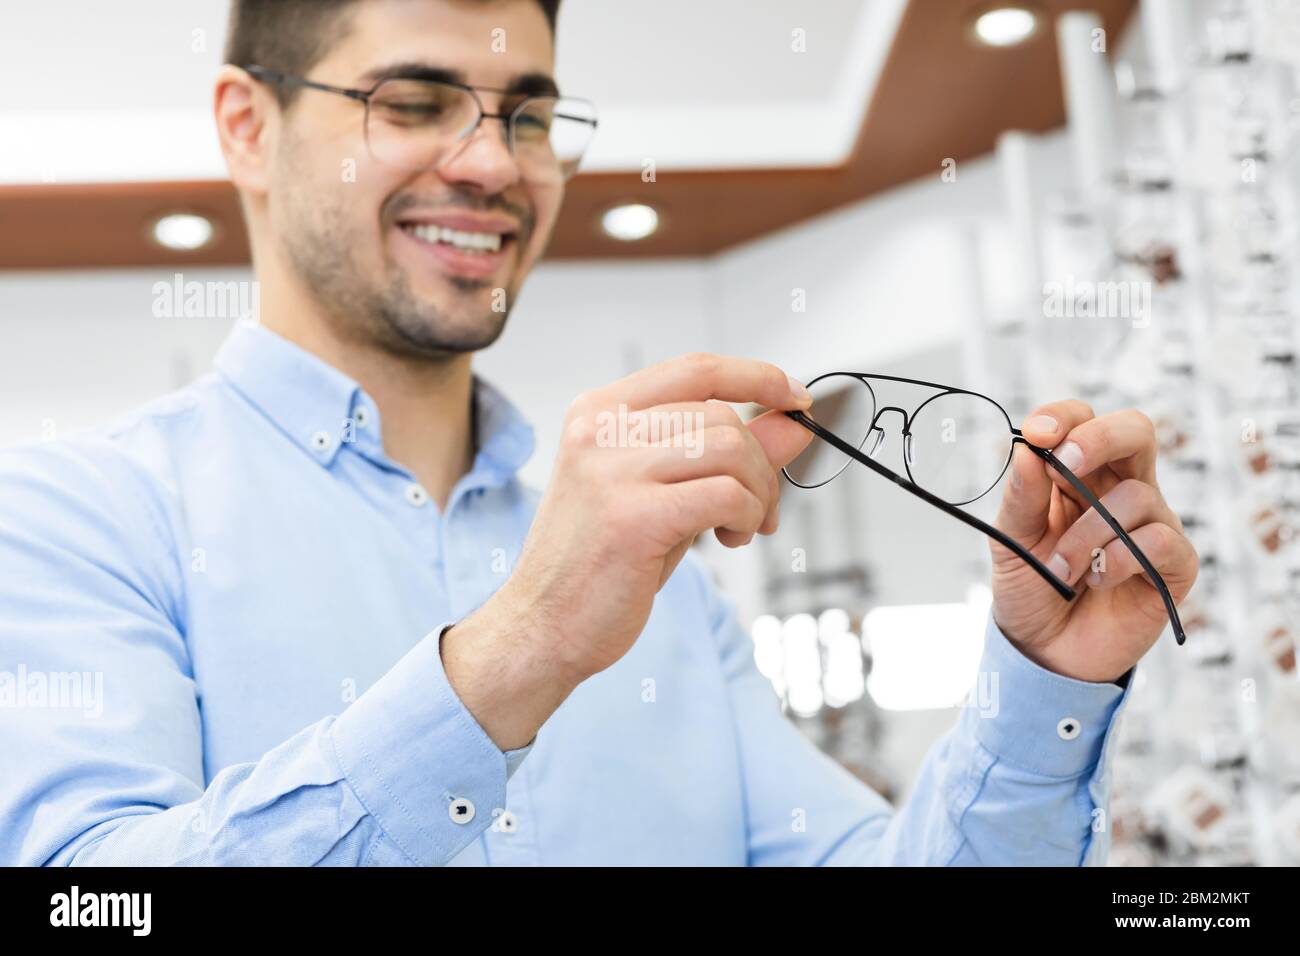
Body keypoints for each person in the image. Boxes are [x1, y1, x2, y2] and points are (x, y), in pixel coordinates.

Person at [0, 0, 1197, 866]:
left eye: (528, 116)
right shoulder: (74, 516)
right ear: (246, 127)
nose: (489, 164)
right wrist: (519, 651)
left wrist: (1045, 678)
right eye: (413, 102)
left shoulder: (659, 575)